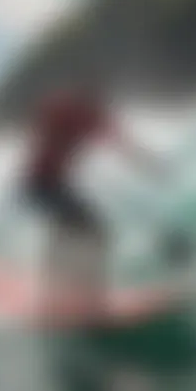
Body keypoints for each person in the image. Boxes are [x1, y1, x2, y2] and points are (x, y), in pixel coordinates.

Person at [22, 81, 160, 320]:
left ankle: (65, 291)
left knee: (82, 231)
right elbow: (50, 111)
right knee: (94, 231)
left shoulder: (91, 118)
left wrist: (146, 161)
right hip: (40, 184)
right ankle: (76, 295)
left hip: (53, 185)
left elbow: (120, 142)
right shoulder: (72, 113)